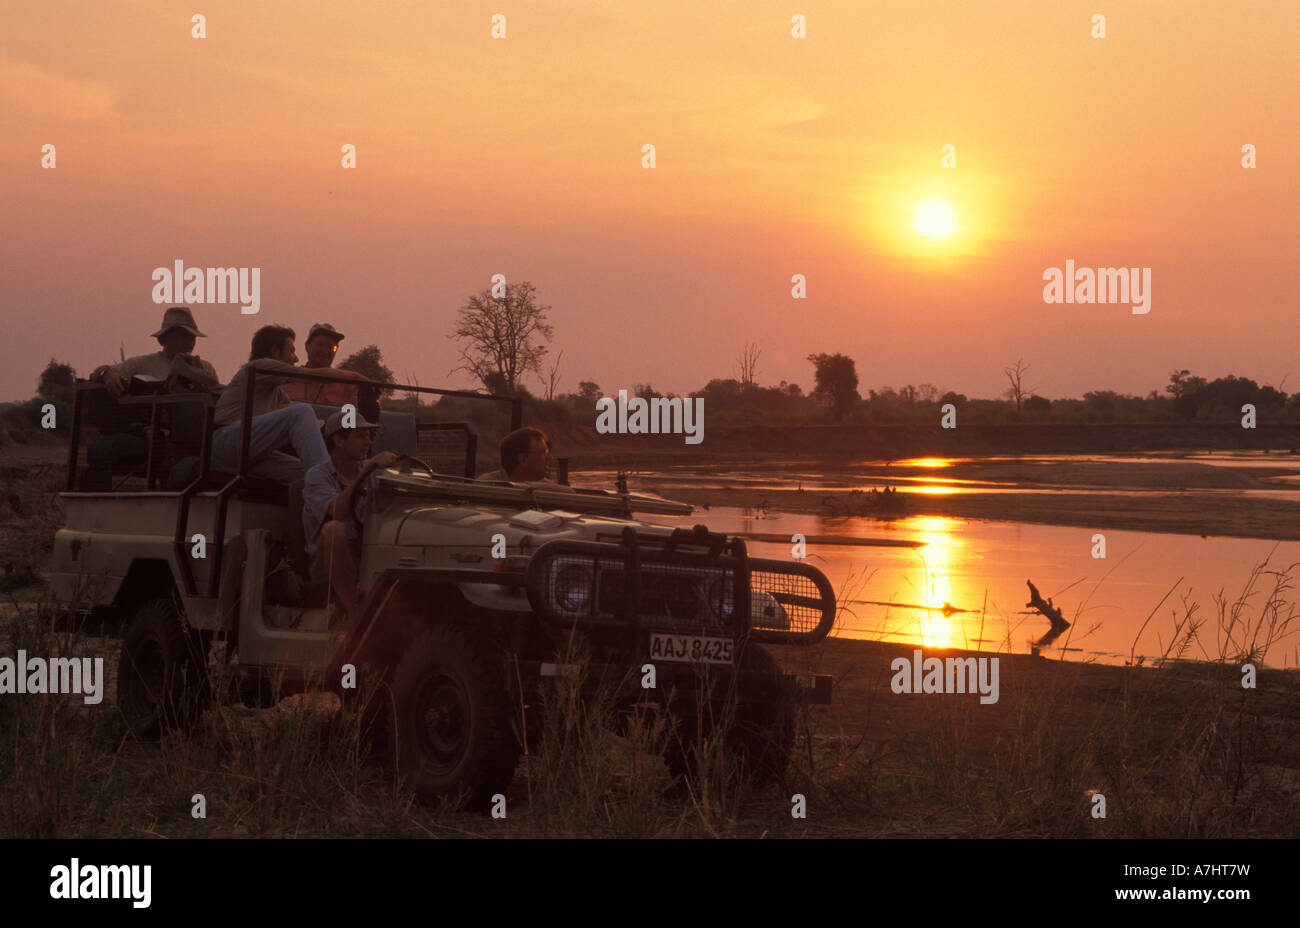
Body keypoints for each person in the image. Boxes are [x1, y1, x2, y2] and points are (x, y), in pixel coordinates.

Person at [210, 324, 366, 483]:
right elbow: (310, 379)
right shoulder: (259, 366)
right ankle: (328, 485)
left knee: (310, 473)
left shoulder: (276, 393)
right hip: (226, 443)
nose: (296, 358)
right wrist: (358, 378)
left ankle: (340, 494)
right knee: (302, 411)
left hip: (250, 451)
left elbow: (310, 425)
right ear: (275, 351)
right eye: (291, 351)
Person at [302, 410, 398, 622]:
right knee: (334, 529)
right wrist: (368, 469)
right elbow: (337, 511)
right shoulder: (318, 475)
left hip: (365, 554)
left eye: (369, 436)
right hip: (327, 560)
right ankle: (354, 613)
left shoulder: (373, 473)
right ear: (339, 440)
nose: (368, 442)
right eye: (360, 436)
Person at [90, 307, 220, 395]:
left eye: (192, 337)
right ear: (163, 340)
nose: (190, 341)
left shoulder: (206, 368)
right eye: (183, 336)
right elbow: (100, 372)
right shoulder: (141, 364)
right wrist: (108, 375)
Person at [280, 322, 360, 407]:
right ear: (307, 346)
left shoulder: (349, 386)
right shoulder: (287, 380)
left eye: (331, 347)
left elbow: (353, 418)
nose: (325, 351)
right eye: (320, 345)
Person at [478, 426, 553, 482]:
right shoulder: (484, 489)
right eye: (544, 453)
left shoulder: (547, 489)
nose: (550, 458)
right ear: (523, 459)